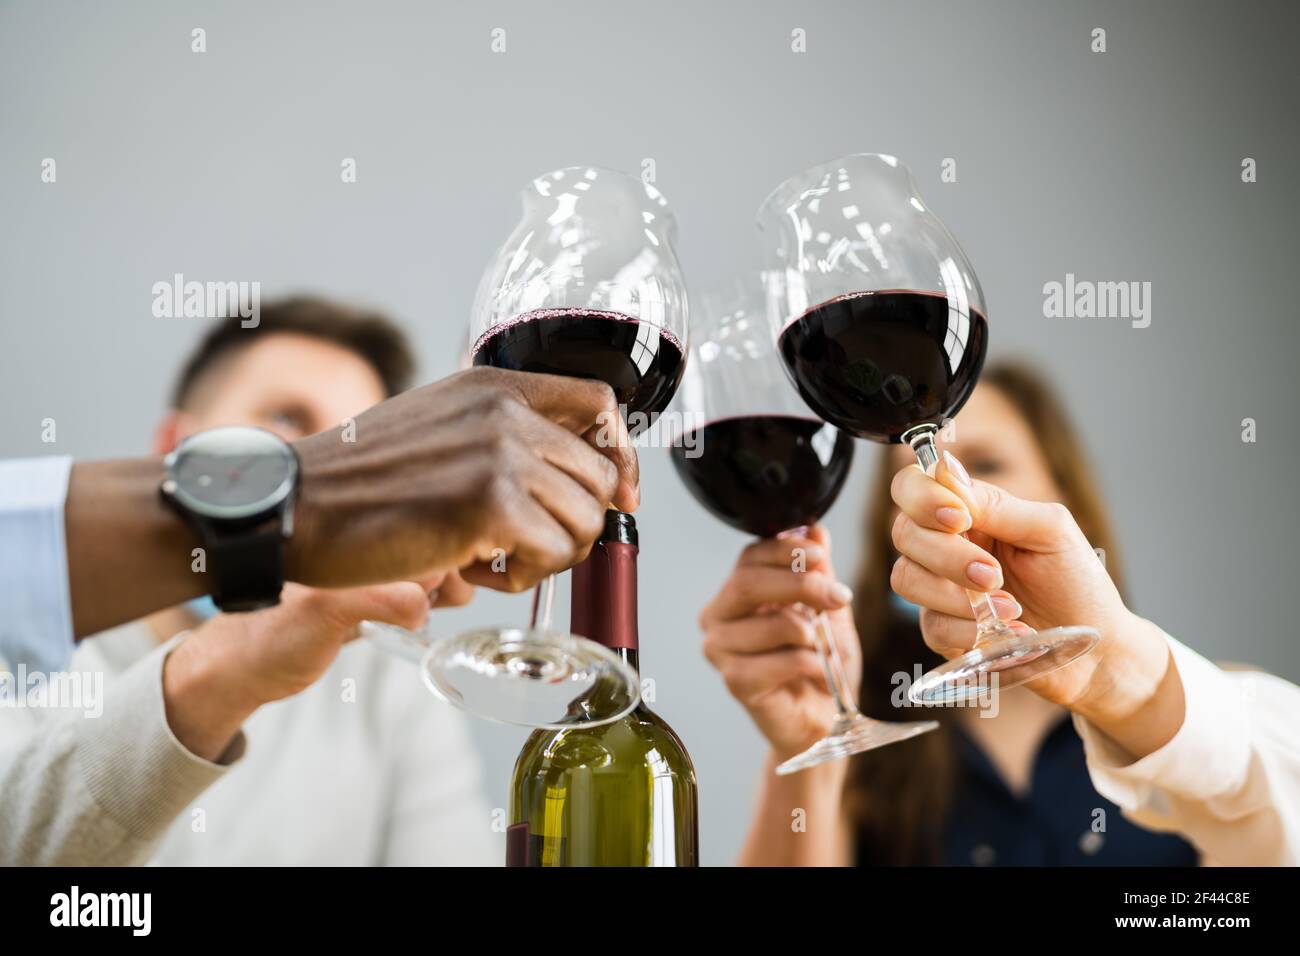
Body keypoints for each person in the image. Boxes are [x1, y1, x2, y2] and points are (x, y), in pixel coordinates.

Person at [0, 297, 638, 865]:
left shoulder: (392, 692)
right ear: (175, 446)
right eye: (287, 419)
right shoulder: (25, 640)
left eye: (362, 438)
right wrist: (228, 662)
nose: (348, 464)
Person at [701, 361, 1300, 866]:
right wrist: (805, 751)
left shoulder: (1201, 717)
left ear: (1071, 506)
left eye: (984, 466)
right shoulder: (875, 763)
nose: (945, 501)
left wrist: (1116, 674)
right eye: (909, 488)